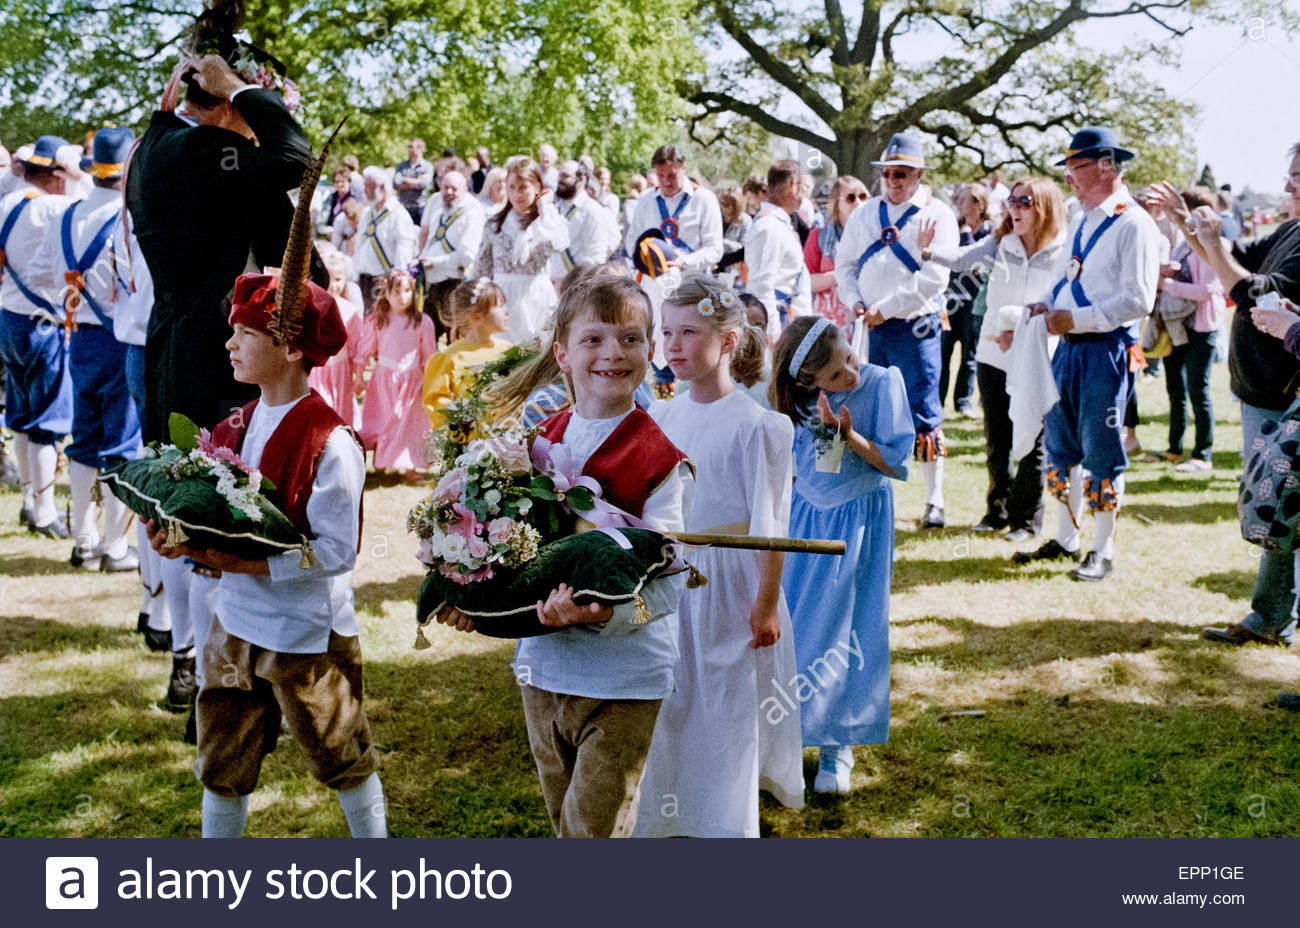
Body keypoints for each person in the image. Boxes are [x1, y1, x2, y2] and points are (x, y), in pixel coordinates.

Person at [441, 276, 692, 838]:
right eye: (594, 339)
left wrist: (604, 613)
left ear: (651, 351)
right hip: (542, 669)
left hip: (624, 680)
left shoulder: (662, 461)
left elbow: (670, 589)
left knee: (591, 836)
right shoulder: (531, 445)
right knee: (565, 826)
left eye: (630, 339)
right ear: (562, 353)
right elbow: (507, 553)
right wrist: (472, 599)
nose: (613, 353)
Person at [147, 271, 386, 838]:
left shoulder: (330, 442)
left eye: (244, 333)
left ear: (291, 345)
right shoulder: (238, 425)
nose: (229, 344)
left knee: (340, 751)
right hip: (234, 622)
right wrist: (179, 536)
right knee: (222, 755)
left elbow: (335, 552)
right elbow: (215, 517)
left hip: (305, 632)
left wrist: (245, 564)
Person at [634, 273, 803, 837]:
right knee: (673, 693)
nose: (673, 346)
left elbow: (771, 523)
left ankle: (726, 822)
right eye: (666, 333)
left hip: (731, 579)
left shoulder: (761, 426)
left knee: (726, 699)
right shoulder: (661, 417)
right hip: (672, 573)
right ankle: (671, 809)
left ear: (728, 342)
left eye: (689, 333)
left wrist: (767, 601)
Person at [127, 53, 323, 447]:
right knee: (222, 486)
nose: (255, 135)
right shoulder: (202, 147)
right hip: (215, 353)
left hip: (171, 344)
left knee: (182, 483)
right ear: (230, 104)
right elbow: (297, 156)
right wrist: (237, 86)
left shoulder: (153, 146)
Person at [770, 315, 913, 792]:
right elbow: (820, 467)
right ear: (809, 381)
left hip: (859, 520)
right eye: (835, 375)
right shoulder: (805, 401)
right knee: (800, 624)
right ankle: (789, 735)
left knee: (850, 627)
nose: (850, 375)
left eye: (849, 358)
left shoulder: (881, 383)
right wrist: (828, 435)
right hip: (809, 518)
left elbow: (894, 462)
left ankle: (838, 745)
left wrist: (849, 435)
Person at [1021, 127, 1161, 582]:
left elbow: (1139, 299)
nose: (1067, 180)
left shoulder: (1134, 222)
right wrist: (1049, 302)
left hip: (1106, 349)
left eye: (1074, 169)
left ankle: (1103, 548)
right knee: (1061, 443)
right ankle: (1066, 538)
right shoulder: (1081, 218)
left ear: (1105, 167)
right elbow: (1071, 279)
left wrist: (1075, 320)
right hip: (1069, 347)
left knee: (1102, 448)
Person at [1178, 143, 1300, 647]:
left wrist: (1213, 246)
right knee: (1279, 513)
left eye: (1297, 176)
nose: (1289, 185)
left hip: (1282, 394)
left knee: (1284, 511)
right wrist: (1204, 236)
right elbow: (1241, 256)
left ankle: (1271, 620)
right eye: (1290, 174)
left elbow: (1250, 290)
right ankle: (1269, 619)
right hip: (1262, 389)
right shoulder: (1293, 228)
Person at [920, 176, 1068, 542]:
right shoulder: (1002, 242)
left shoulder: (1063, 251)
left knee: (1032, 437)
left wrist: (1017, 327)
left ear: (1045, 206)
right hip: (992, 353)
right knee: (997, 437)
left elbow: (1058, 304)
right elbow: (963, 259)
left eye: (1024, 202)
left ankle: (1026, 519)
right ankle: (997, 509)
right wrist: (929, 250)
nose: (1014, 208)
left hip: (1036, 355)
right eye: (1012, 201)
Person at [835, 132, 959, 528]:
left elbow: (936, 277)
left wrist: (884, 309)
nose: (893, 180)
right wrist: (855, 301)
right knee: (863, 402)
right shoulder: (865, 213)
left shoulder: (937, 214)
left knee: (923, 406)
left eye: (902, 173)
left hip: (915, 326)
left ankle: (934, 500)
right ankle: (862, 488)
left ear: (919, 174)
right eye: (887, 173)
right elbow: (845, 264)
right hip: (868, 327)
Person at [32, 127, 142, 569]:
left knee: (85, 436)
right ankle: (113, 546)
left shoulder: (67, 215)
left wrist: (68, 300)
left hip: (78, 335)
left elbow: (43, 273)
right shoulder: (129, 218)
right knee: (120, 441)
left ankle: (84, 540)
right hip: (118, 339)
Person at [0, 135, 76, 538]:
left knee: (22, 418)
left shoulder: (6, 204)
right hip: (44, 322)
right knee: (47, 422)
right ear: (56, 175)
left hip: (9, 318)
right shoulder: (59, 208)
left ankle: (31, 502)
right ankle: (45, 513)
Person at [1143, 185, 1224, 473]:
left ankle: (1203, 453)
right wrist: (1169, 270)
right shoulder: (1183, 242)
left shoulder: (1215, 245)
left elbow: (1209, 290)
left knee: (1197, 391)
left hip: (1202, 329)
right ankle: (1174, 449)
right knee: (1175, 389)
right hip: (1178, 328)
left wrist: (1168, 284)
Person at [472, 157, 569, 345]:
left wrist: (545, 206)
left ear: (537, 187)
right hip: (502, 302)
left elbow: (559, 242)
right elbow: (481, 268)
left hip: (536, 300)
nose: (517, 194)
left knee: (535, 358)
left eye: (523, 187)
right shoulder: (494, 224)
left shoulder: (546, 222)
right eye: (511, 187)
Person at [353, 270, 438, 472]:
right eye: (397, 291)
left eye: (407, 291)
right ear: (387, 293)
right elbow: (364, 351)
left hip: (412, 380)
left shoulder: (422, 321)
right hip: (384, 380)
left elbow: (429, 356)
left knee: (408, 422)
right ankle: (381, 460)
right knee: (384, 420)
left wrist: (431, 382)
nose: (402, 297)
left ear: (414, 293)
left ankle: (410, 464)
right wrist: (359, 377)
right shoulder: (378, 320)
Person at [421, 277, 511, 427]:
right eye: (500, 306)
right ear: (476, 316)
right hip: (468, 441)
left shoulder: (508, 351)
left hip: (505, 438)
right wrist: (459, 412)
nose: (507, 312)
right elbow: (436, 399)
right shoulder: (452, 357)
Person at [940, 182, 994, 415]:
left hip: (976, 302)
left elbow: (976, 264)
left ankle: (963, 402)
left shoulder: (990, 232)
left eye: (963, 199)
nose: (958, 204)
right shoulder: (952, 228)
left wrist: (966, 237)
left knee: (969, 355)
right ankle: (938, 401)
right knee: (944, 352)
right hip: (951, 298)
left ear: (978, 204)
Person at [745, 159, 811, 339]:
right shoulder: (769, 226)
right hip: (777, 322)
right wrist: (773, 332)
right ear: (792, 185)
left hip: (789, 319)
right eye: (804, 188)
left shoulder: (779, 223)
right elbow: (761, 286)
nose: (805, 196)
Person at [416, 169, 485, 337]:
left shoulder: (473, 210)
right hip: (429, 281)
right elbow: (425, 232)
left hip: (454, 284)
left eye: (454, 189)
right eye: (445, 187)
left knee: (454, 338)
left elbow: (466, 257)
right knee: (427, 335)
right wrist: (420, 257)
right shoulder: (435, 201)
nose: (448, 192)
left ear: (465, 188)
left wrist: (435, 262)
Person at [308, 250, 364, 427]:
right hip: (317, 370)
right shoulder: (312, 306)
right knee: (320, 409)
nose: (334, 285)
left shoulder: (350, 310)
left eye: (339, 279)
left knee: (339, 413)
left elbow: (356, 345)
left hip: (340, 371)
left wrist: (358, 374)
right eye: (330, 279)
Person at [805, 175, 868, 329]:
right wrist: (843, 273)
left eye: (863, 196)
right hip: (828, 322)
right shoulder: (819, 236)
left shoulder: (875, 236)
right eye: (851, 198)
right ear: (836, 203)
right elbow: (806, 281)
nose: (858, 202)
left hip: (863, 318)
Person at [351, 166, 416, 313]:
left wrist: (396, 284)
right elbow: (358, 246)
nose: (365, 190)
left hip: (383, 282)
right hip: (363, 280)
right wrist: (355, 276)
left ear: (381, 187)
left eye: (369, 186)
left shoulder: (399, 214)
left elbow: (404, 250)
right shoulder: (367, 212)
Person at [550, 160, 618, 285]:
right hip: (551, 288)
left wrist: (574, 283)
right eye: (559, 175)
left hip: (576, 288)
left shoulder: (592, 210)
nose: (560, 180)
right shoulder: (556, 209)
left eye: (566, 176)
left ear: (582, 180)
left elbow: (596, 257)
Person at [393, 137, 433, 225]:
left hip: (419, 209)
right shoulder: (402, 165)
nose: (409, 149)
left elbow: (424, 184)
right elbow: (396, 184)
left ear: (421, 149)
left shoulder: (427, 166)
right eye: (408, 147)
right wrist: (417, 181)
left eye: (412, 146)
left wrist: (405, 179)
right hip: (403, 208)